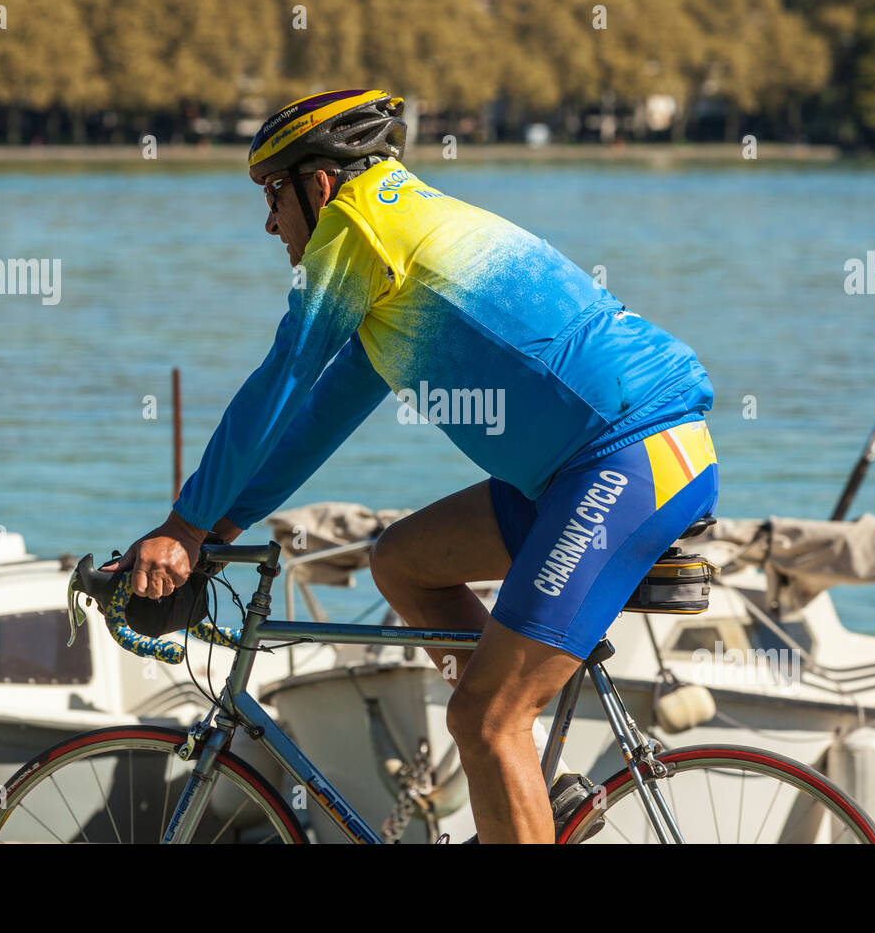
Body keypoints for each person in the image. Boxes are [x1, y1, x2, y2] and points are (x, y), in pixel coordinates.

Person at [104, 88, 719, 843]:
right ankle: (520, 780)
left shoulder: (360, 225)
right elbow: (313, 420)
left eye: (272, 195)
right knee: (402, 562)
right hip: (579, 473)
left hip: (629, 461)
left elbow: (280, 379)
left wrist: (182, 523)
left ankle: (506, 749)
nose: (269, 222)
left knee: (485, 720)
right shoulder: (397, 249)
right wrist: (219, 526)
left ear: (319, 185)